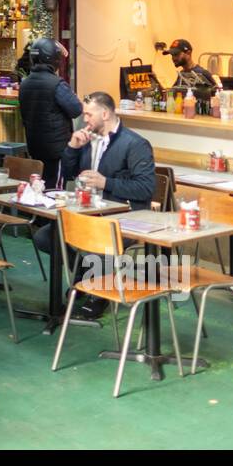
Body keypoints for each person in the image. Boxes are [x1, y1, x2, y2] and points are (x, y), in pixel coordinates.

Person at [52, 91, 157, 320]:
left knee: (95, 245)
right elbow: (69, 174)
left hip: (125, 217)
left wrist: (105, 182)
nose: (85, 120)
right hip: (90, 213)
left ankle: (97, 293)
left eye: (89, 115)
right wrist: (72, 147)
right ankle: (86, 279)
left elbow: (145, 188)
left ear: (105, 113)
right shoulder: (88, 140)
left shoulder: (135, 144)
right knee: (48, 236)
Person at [18, 38, 82, 189]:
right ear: (54, 59)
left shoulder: (25, 84)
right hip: (57, 149)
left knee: (41, 188)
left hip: (35, 146)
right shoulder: (56, 84)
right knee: (55, 190)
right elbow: (76, 109)